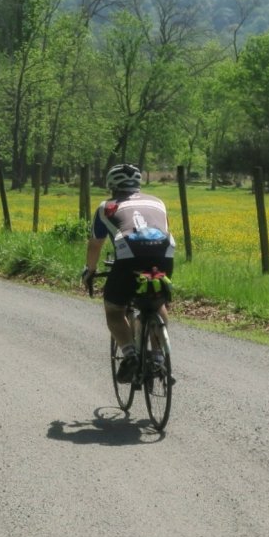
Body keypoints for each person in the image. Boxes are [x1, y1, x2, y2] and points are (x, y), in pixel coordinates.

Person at [80, 163, 175, 384]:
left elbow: (95, 245)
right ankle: (159, 356)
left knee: (114, 309)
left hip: (129, 255)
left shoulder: (107, 207)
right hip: (164, 253)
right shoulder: (158, 202)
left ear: (111, 185)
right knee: (157, 301)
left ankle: (131, 355)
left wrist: (90, 270)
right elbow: (164, 228)